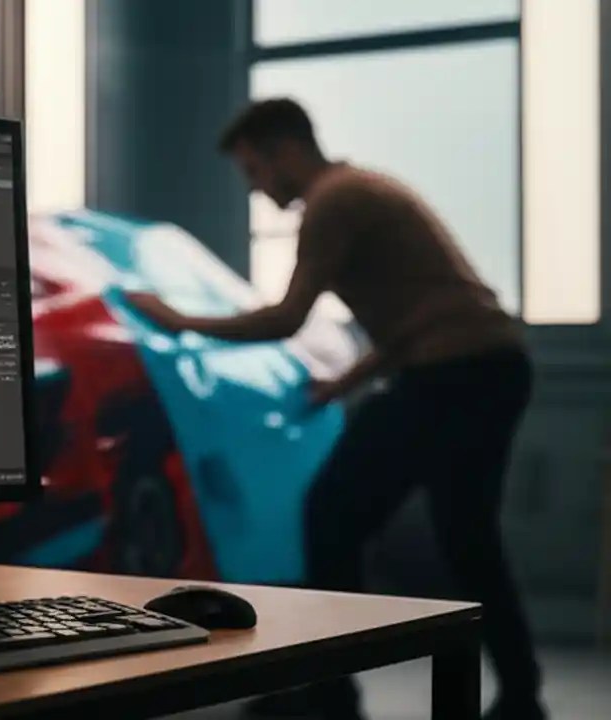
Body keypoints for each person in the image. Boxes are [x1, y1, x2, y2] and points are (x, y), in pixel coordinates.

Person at [123, 98, 544, 720]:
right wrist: (344, 382)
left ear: (285, 150)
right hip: (484, 367)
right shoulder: (366, 189)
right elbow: (416, 318)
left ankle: (329, 691)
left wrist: (175, 319)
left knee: (334, 515)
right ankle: (519, 695)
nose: (256, 188)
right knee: (466, 539)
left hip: (453, 376)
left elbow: (285, 317)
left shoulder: (334, 202)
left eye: (254, 171)